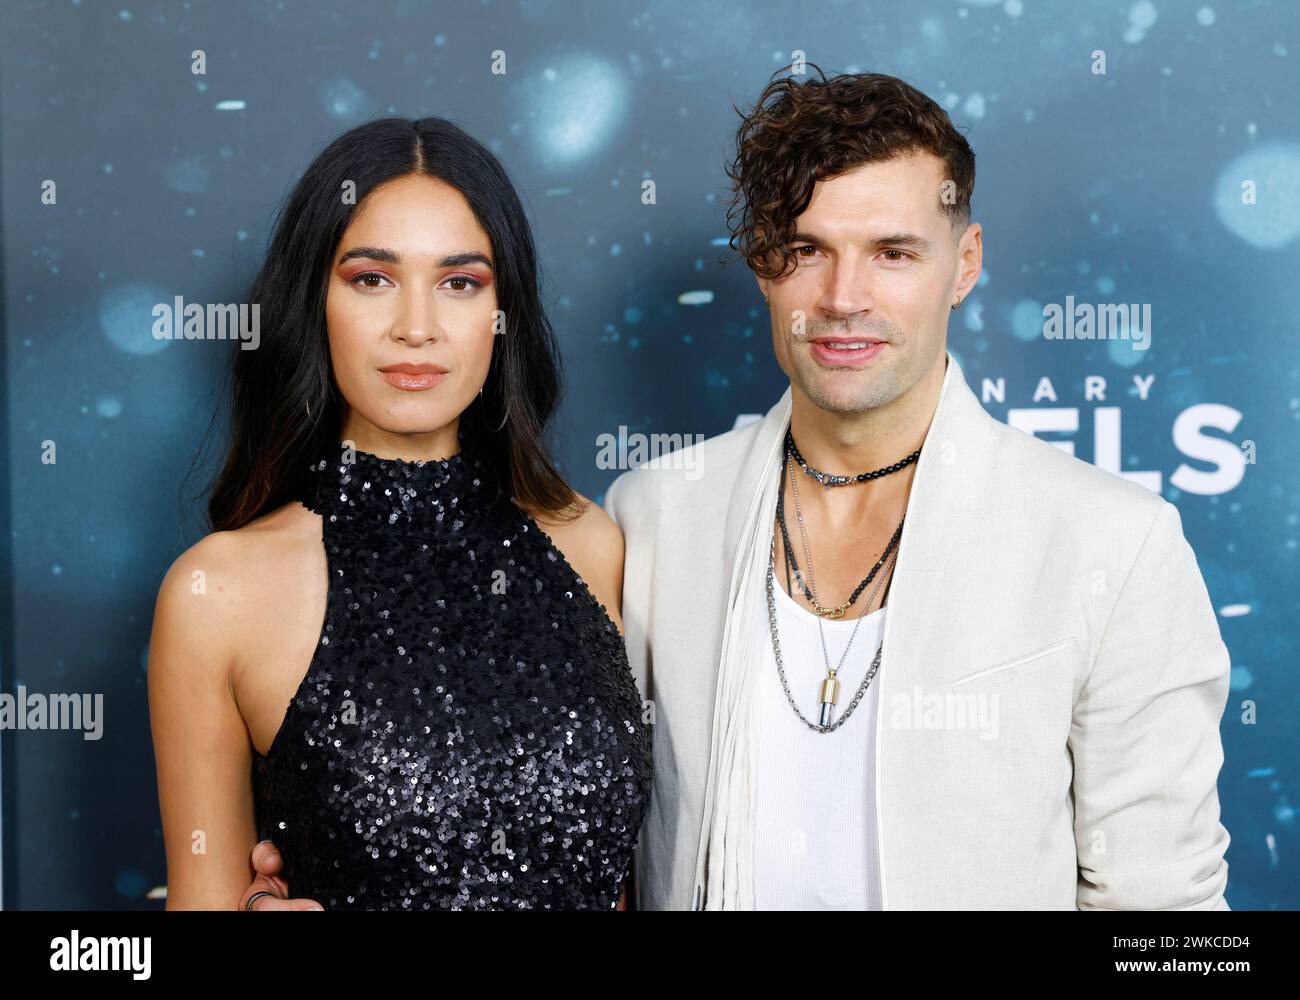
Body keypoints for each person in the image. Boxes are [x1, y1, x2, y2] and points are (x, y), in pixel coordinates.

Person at [241, 68, 1233, 911]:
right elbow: (551, 814)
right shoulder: (653, 517)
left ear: (963, 263)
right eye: (806, 251)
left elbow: (1173, 917)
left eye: (892, 253)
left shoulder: (1111, 543)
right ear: (762, 264)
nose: (843, 298)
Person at [148, 117, 652, 910]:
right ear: (314, 301)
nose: (416, 328)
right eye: (372, 279)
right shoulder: (217, 594)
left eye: (460, 283)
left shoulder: (595, 546)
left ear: (503, 312)